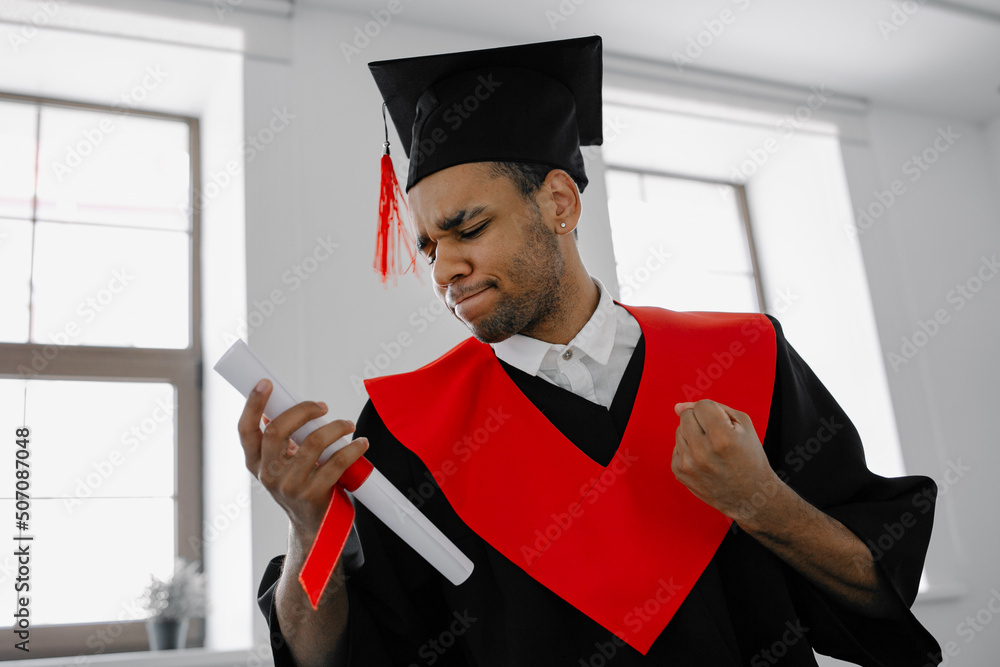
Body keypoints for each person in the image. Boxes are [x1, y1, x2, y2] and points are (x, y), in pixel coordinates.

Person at [237, 36, 942, 666]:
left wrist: (760, 501)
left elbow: (875, 585)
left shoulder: (744, 357)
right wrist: (306, 530)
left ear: (560, 203)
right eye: (428, 245)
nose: (443, 267)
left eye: (469, 227)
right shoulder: (405, 425)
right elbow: (337, 655)